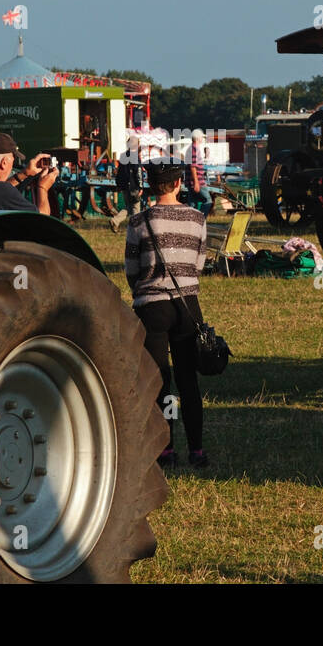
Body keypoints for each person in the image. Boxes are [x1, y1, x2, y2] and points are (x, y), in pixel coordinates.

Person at [125, 161, 210, 469]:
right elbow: (199, 264)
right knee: (188, 379)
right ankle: (197, 450)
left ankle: (166, 449)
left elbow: (131, 269)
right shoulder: (198, 218)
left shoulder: (139, 221)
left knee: (160, 380)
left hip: (152, 306)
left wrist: (144, 289)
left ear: (151, 186)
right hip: (187, 304)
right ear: (178, 185)